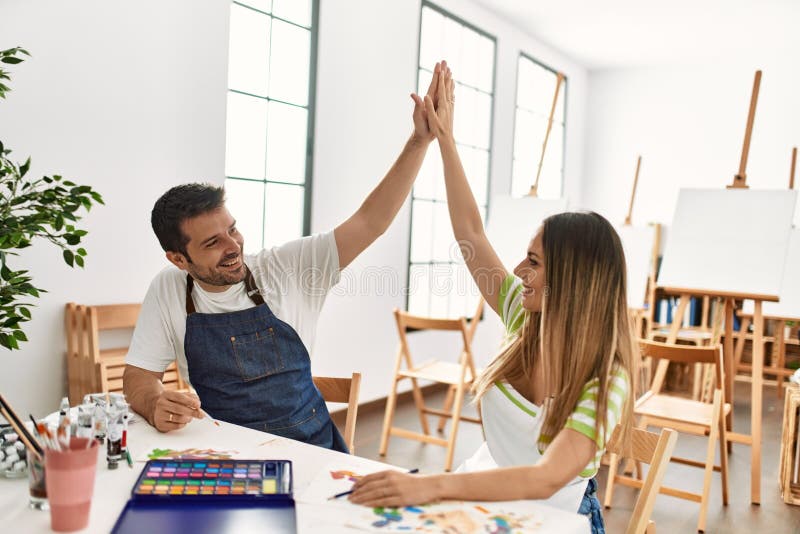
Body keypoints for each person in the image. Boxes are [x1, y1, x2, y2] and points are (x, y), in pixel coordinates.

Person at [348, 65, 635, 532]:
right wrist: (444, 139)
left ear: (573, 281)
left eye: (534, 262)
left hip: (555, 518)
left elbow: (545, 479)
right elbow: (471, 234)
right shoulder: (524, 315)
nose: (518, 271)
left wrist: (430, 486)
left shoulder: (606, 378)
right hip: (484, 495)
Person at [123, 62, 454, 453]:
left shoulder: (287, 268)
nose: (233, 246)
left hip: (308, 448)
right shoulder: (169, 288)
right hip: (225, 452)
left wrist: (419, 141)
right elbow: (138, 377)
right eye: (212, 242)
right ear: (179, 259)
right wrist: (155, 404)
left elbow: (371, 222)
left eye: (233, 229)